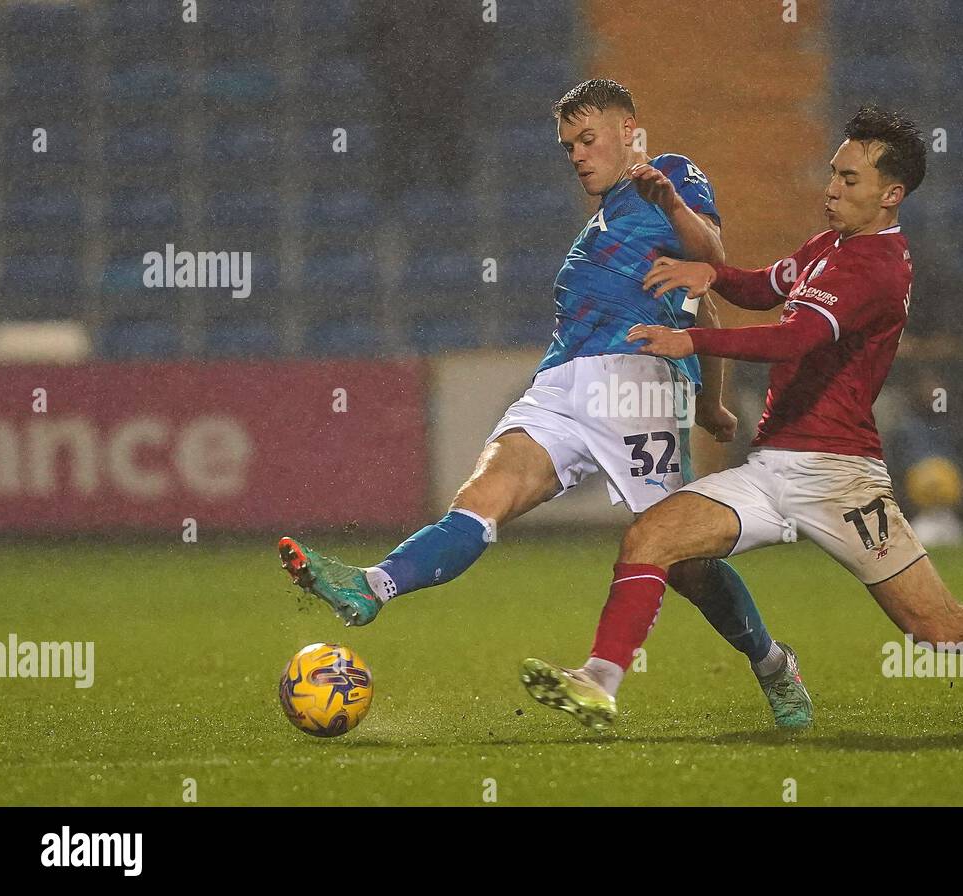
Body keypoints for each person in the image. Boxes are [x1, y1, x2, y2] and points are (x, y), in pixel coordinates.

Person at [522, 106, 963, 731]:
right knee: (650, 538)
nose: (831, 188)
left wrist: (694, 342)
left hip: (839, 476)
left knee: (937, 628)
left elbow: (792, 340)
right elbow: (768, 286)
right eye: (833, 173)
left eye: (850, 180)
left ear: (890, 195)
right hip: (770, 468)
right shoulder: (833, 244)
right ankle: (599, 684)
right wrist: (709, 272)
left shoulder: (874, 267)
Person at [279, 79, 813, 730]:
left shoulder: (668, 178)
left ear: (628, 129)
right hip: (561, 382)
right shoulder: (604, 222)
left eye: (589, 139)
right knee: (482, 498)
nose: (579, 155)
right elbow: (708, 301)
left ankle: (770, 664)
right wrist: (714, 403)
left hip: (638, 378)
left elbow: (715, 268)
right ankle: (373, 585)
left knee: (684, 561)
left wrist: (706, 397)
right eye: (569, 147)